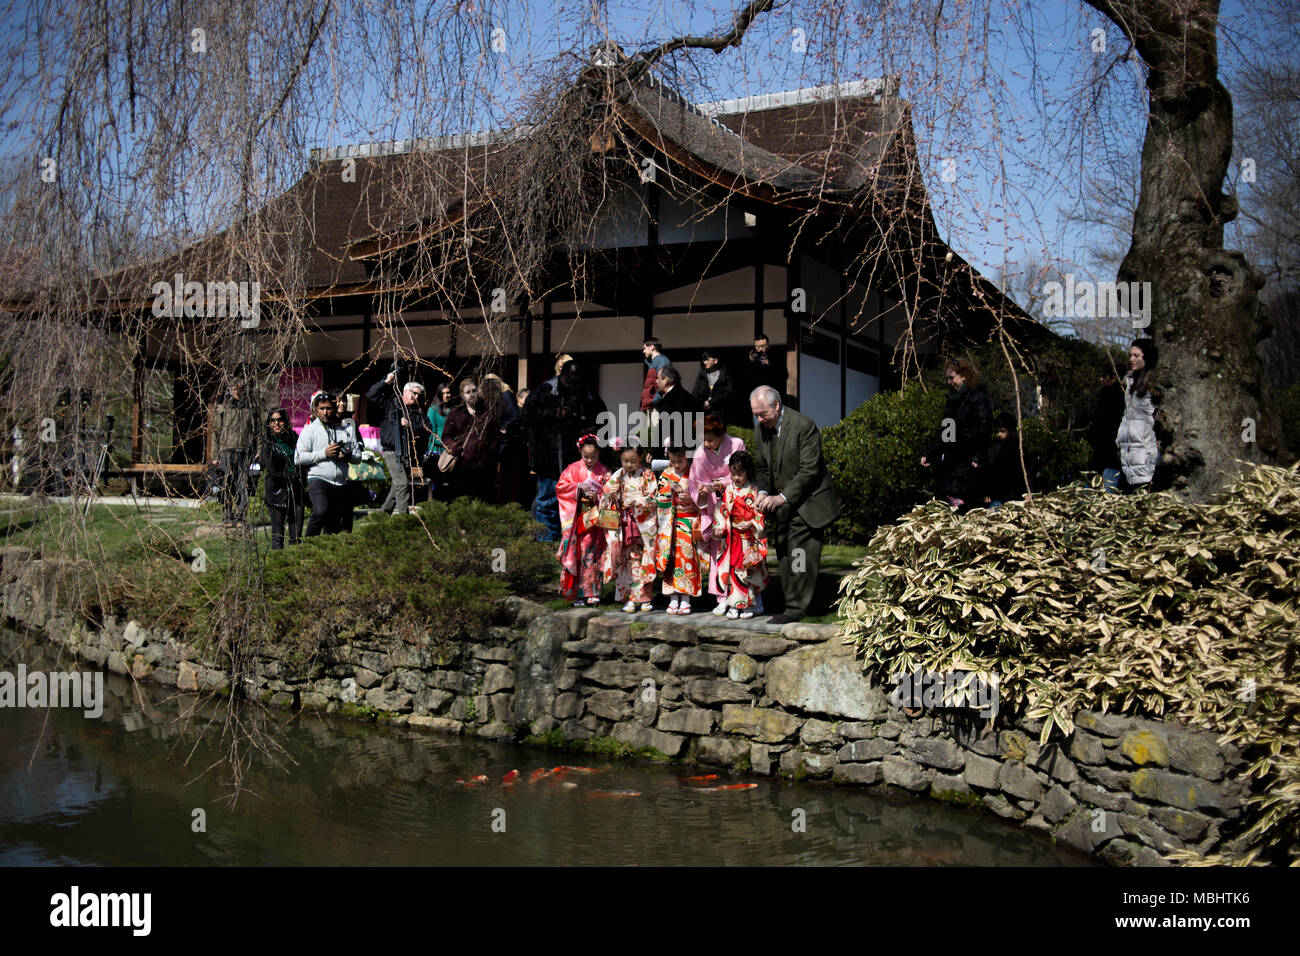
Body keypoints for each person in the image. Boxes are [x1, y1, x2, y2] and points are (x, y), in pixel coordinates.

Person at [750, 385, 841, 623]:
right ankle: (791, 602)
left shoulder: (804, 426)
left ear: (777, 406)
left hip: (808, 503)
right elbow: (762, 467)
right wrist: (762, 491)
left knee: (800, 553)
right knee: (784, 552)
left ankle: (796, 608)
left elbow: (809, 470)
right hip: (783, 506)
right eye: (756, 414)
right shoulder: (761, 430)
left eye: (763, 414)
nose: (759, 419)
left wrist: (781, 497)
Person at [524, 359, 606, 539]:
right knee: (547, 503)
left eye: (579, 376)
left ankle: (571, 544)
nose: (576, 379)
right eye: (573, 375)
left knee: (575, 504)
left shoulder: (588, 395)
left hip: (575, 462)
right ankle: (546, 544)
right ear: (563, 375)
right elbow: (527, 415)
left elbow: (603, 418)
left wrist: (591, 429)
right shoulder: (545, 391)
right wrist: (554, 414)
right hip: (548, 460)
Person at [689, 415, 747, 615]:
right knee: (718, 552)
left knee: (739, 551)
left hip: (737, 503)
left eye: (710, 439)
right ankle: (721, 596)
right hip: (715, 507)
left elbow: (742, 472)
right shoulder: (700, 454)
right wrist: (703, 490)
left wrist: (721, 483)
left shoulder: (736, 444)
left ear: (721, 435)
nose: (706, 443)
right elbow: (695, 482)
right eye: (703, 439)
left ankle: (740, 595)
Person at [921, 358, 993, 511]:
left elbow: (985, 430)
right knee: (947, 502)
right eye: (947, 378)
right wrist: (931, 452)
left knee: (966, 505)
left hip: (969, 462)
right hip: (952, 461)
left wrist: (978, 455)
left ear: (964, 376)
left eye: (952, 377)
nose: (949, 382)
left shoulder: (979, 398)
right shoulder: (952, 401)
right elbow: (946, 432)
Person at [602, 444, 659, 613]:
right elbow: (606, 498)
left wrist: (637, 501)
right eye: (625, 461)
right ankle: (629, 597)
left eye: (633, 461)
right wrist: (611, 494)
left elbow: (654, 498)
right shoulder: (618, 475)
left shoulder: (648, 474)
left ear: (640, 458)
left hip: (644, 522)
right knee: (627, 561)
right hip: (625, 523)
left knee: (645, 560)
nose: (628, 465)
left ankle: (646, 598)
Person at [296, 391, 362, 536]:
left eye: (328, 408)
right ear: (316, 410)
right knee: (321, 510)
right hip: (318, 477)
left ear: (334, 407)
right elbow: (298, 458)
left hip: (341, 482)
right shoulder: (310, 430)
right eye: (321, 408)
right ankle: (308, 543)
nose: (325, 412)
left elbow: (358, 457)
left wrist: (347, 455)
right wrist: (323, 454)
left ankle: (327, 555)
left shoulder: (347, 428)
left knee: (333, 525)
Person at [714, 450, 770, 619]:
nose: (736, 478)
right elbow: (722, 510)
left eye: (740, 474)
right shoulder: (729, 490)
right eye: (733, 474)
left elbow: (760, 513)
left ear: (748, 471)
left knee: (749, 570)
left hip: (750, 537)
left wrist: (752, 523)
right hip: (734, 537)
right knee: (734, 571)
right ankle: (734, 603)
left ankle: (751, 604)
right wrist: (721, 526)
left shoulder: (754, 490)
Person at [366, 373, 432, 516]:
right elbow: (371, 395)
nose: (416, 397)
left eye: (419, 395)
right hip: (391, 451)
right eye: (414, 393)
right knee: (402, 484)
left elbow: (427, 428)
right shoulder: (390, 404)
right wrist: (386, 381)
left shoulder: (418, 412)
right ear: (405, 392)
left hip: (408, 453)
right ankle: (404, 519)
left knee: (397, 486)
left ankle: (382, 515)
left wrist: (410, 426)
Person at [556, 434, 610, 607]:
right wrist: (578, 489)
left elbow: (610, 494)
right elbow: (561, 489)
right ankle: (578, 593)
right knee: (578, 555)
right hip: (577, 521)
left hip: (595, 524)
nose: (589, 460)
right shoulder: (571, 469)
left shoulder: (604, 472)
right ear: (580, 452)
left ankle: (593, 591)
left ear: (599, 453)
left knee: (593, 555)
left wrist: (599, 496)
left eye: (593, 457)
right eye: (585, 456)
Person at [656, 446, 704, 615]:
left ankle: (686, 598)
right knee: (670, 560)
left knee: (687, 558)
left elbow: (704, 498)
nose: (676, 465)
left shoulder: (695, 473)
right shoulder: (665, 475)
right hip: (669, 523)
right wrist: (669, 491)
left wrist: (691, 497)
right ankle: (672, 597)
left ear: (686, 457)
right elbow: (659, 499)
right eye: (673, 462)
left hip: (688, 521)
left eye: (680, 461)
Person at [439, 378, 502, 502]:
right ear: (463, 395)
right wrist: (456, 448)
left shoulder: (486, 412)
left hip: (484, 466)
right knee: (463, 500)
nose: (472, 394)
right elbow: (446, 436)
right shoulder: (456, 413)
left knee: (482, 501)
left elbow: (494, 436)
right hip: (463, 465)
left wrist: (490, 453)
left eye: (474, 391)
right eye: (468, 392)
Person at [211, 381, 259, 528]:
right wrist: (215, 456)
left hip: (245, 451)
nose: (236, 392)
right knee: (226, 484)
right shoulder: (222, 408)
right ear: (229, 390)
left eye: (239, 389)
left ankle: (241, 516)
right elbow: (215, 433)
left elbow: (257, 432)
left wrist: (259, 451)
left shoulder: (251, 409)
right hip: (226, 451)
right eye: (233, 389)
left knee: (242, 485)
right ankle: (227, 515)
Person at [1116, 338, 1160, 492]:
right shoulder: (1128, 383)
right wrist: (1119, 438)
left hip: (1146, 450)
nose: (1131, 359)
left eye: (1136, 355)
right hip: (1127, 451)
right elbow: (1126, 415)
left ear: (1146, 358)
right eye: (1130, 355)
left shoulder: (1154, 384)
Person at [260, 408, 305, 548]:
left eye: (279, 420)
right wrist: (290, 475)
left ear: (285, 422)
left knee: (296, 537)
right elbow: (272, 471)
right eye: (272, 420)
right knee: (278, 537)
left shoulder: (295, 439)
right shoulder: (267, 444)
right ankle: (277, 567)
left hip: (296, 491)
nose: (276, 423)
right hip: (277, 492)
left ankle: (295, 566)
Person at [981, 412, 1031, 508]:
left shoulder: (1020, 450)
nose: (999, 434)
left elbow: (1028, 472)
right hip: (997, 497)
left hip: (1017, 496)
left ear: (1012, 431)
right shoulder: (993, 449)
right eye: (997, 431)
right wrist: (986, 493)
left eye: (1002, 431)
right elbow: (987, 472)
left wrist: (1029, 491)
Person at [1087, 369, 1126, 493]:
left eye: (1104, 376)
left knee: (1102, 486)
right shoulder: (1121, 396)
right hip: (1108, 450)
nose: (1101, 379)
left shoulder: (1110, 396)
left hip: (1106, 449)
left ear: (1114, 378)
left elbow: (1103, 424)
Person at [653, 365, 701, 459]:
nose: (656, 381)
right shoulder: (675, 396)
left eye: (658, 378)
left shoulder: (680, 398)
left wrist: (655, 450)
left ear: (665, 380)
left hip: (677, 452)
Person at [690, 351, 734, 422]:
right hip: (702, 411)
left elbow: (727, 393)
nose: (704, 362)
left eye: (707, 360)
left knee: (715, 432)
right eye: (704, 360)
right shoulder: (702, 375)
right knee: (700, 432)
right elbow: (695, 393)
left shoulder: (724, 375)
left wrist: (711, 402)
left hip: (718, 411)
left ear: (715, 361)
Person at [747, 334, 787, 400]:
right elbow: (747, 378)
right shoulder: (752, 360)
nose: (759, 349)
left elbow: (784, 376)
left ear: (768, 346)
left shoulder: (776, 358)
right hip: (757, 395)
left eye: (762, 346)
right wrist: (751, 362)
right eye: (756, 346)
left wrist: (769, 365)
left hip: (773, 394)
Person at [640, 338, 670, 412]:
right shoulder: (653, 362)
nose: (643, 351)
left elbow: (664, 383)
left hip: (656, 406)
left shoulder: (662, 361)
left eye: (645, 348)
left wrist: (655, 400)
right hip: (650, 405)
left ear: (652, 347)